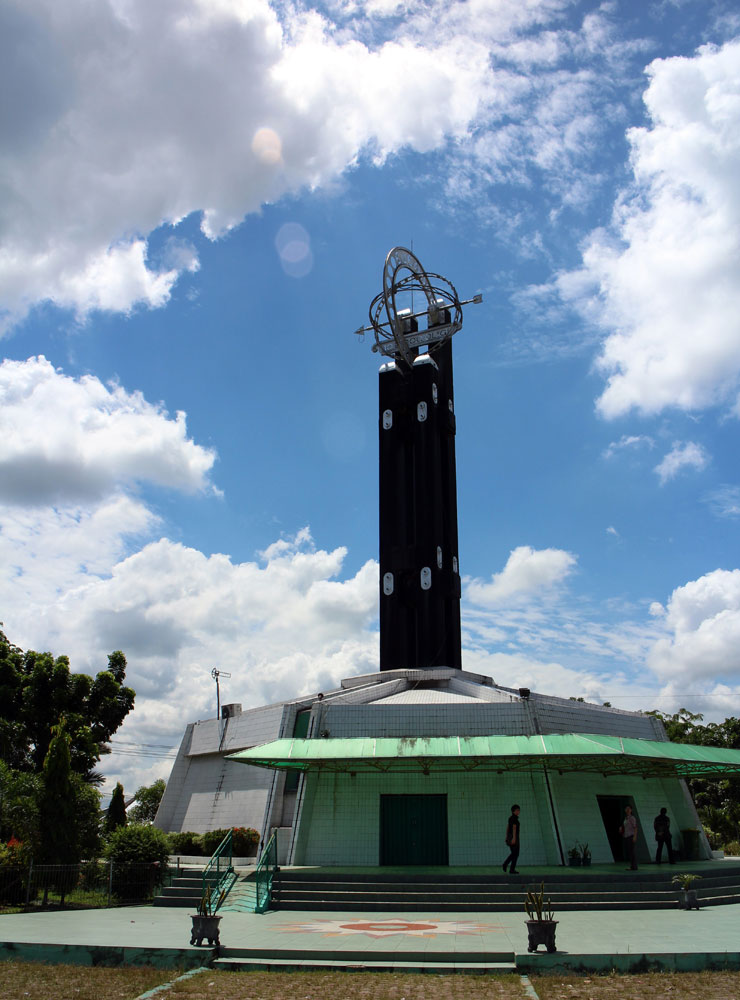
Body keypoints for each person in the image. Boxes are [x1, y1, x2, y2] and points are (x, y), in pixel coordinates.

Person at [502, 804, 521, 874]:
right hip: (514, 836)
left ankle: (510, 868)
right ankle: (506, 865)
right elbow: (514, 828)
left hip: (510, 836)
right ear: (513, 811)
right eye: (517, 810)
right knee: (515, 853)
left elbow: (508, 827)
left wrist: (507, 836)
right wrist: (514, 838)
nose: (518, 812)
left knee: (514, 853)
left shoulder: (510, 818)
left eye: (519, 810)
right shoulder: (514, 818)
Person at [620, 804, 638, 870]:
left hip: (631, 836)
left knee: (632, 852)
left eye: (629, 809)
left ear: (631, 810)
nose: (627, 810)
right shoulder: (625, 818)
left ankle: (634, 866)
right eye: (626, 809)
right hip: (626, 836)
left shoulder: (632, 818)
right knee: (629, 852)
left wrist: (635, 837)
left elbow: (635, 827)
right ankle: (632, 866)